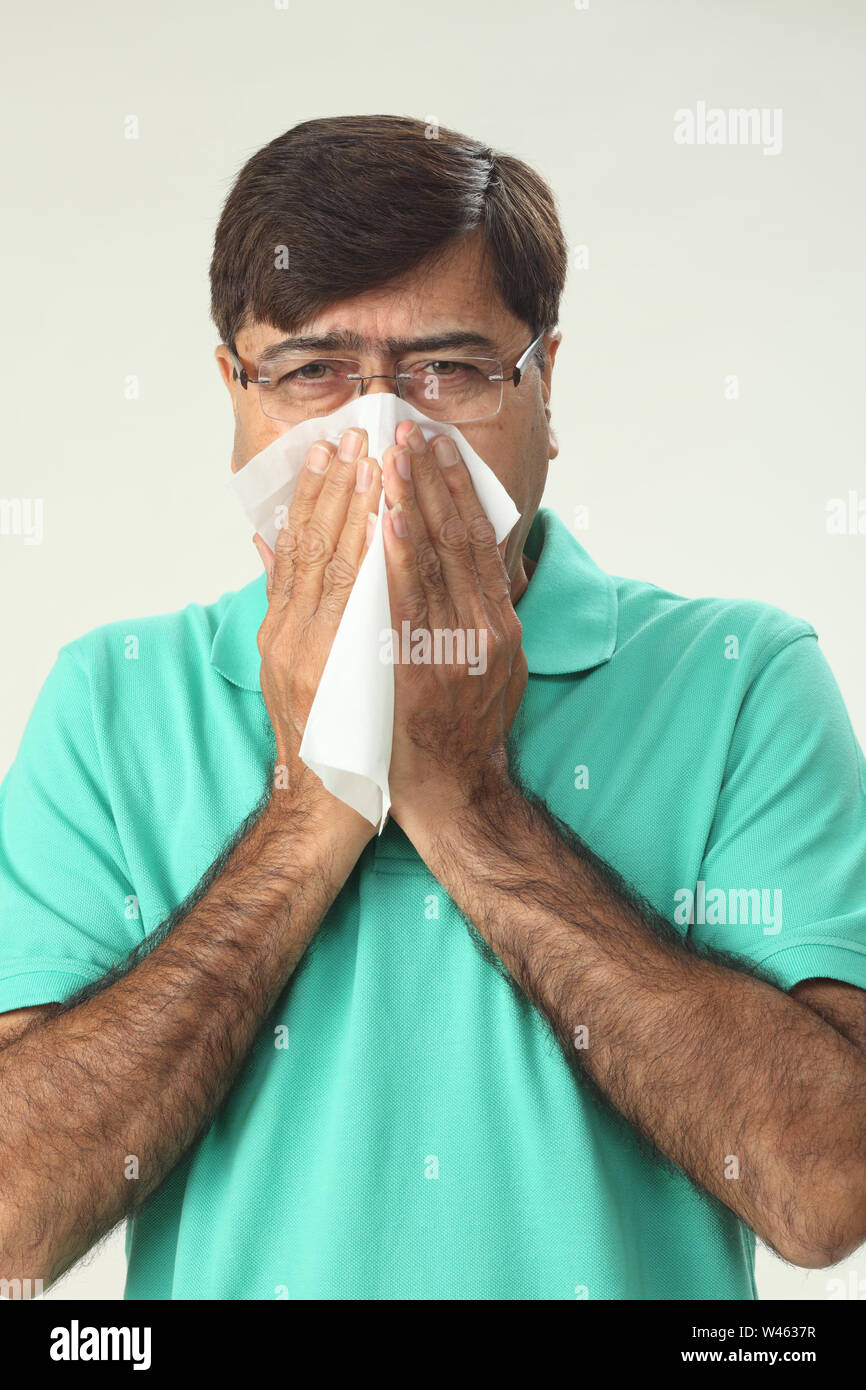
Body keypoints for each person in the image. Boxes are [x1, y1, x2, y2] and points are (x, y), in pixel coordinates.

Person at [1, 115, 865, 1301]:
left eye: (447, 370)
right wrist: (312, 806)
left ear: (544, 384)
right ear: (233, 393)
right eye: (312, 374)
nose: (382, 432)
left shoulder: (737, 677)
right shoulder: (109, 700)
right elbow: (9, 1217)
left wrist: (469, 803)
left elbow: (826, 1193)